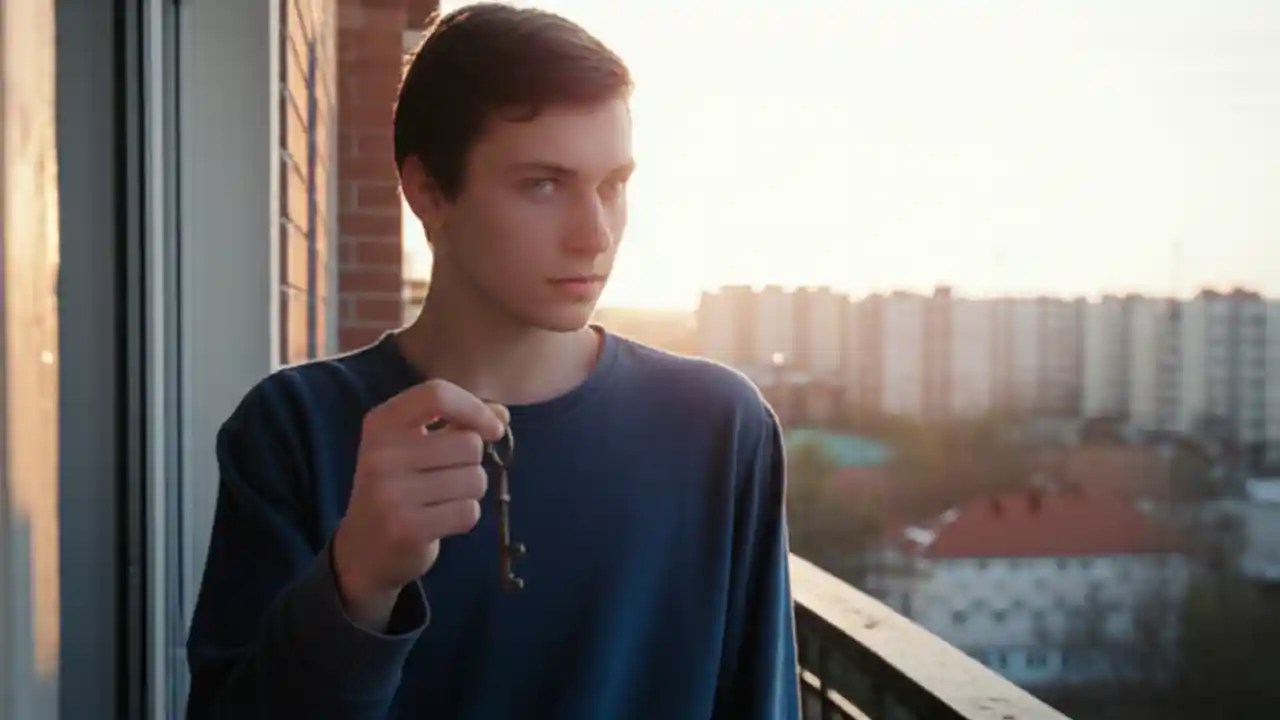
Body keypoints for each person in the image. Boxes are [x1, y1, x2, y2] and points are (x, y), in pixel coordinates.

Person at [185, 3, 800, 718]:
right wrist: (356, 585)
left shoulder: (718, 428)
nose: (594, 235)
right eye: (543, 183)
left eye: (612, 184)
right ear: (428, 192)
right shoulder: (293, 428)